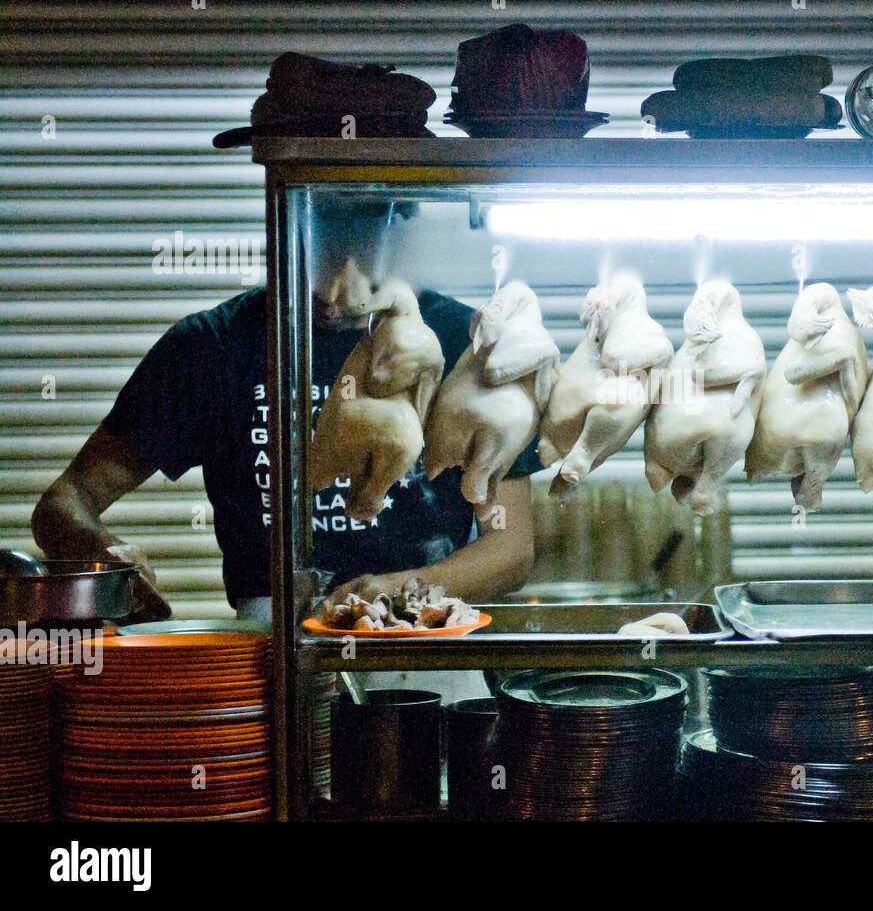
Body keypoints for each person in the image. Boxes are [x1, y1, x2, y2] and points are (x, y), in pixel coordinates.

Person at [32, 199, 539, 628]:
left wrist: (390, 591)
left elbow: (511, 547)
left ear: (396, 228)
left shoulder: (461, 343)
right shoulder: (213, 347)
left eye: (360, 240)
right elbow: (62, 504)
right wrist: (104, 552)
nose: (338, 283)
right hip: (271, 655)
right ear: (284, 221)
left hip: (423, 635)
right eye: (318, 243)